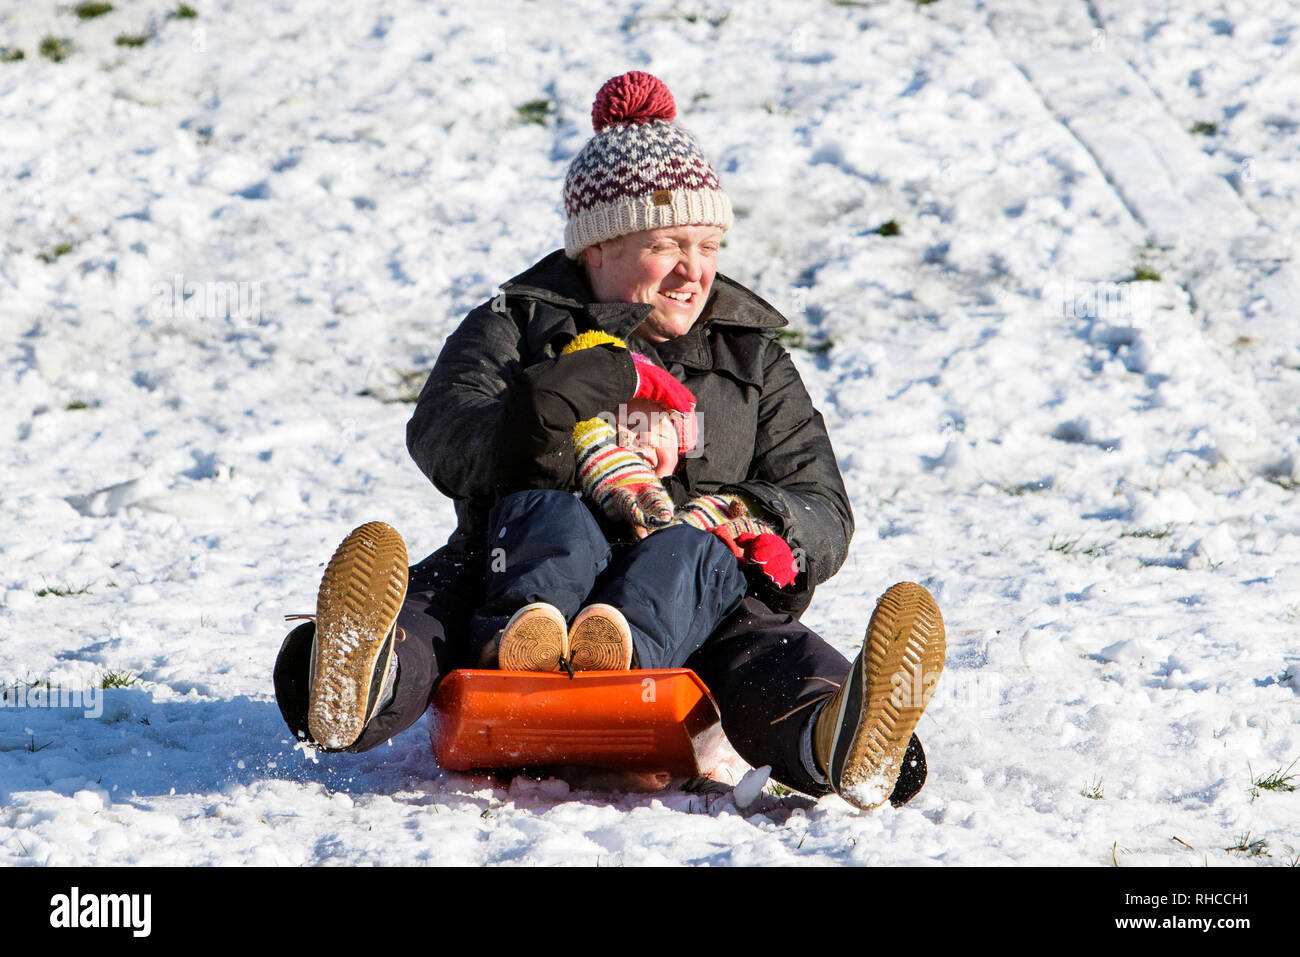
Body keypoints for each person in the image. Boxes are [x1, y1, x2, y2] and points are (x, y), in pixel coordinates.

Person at [273, 71, 946, 810]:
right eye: (668, 244)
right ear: (598, 248)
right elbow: (441, 433)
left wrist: (742, 516)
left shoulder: (750, 357)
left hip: (688, 581)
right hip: (519, 561)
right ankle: (354, 680)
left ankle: (839, 733)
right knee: (435, 614)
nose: (695, 271)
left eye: (708, 243)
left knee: (761, 648)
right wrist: (545, 416)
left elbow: (821, 502)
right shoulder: (516, 326)